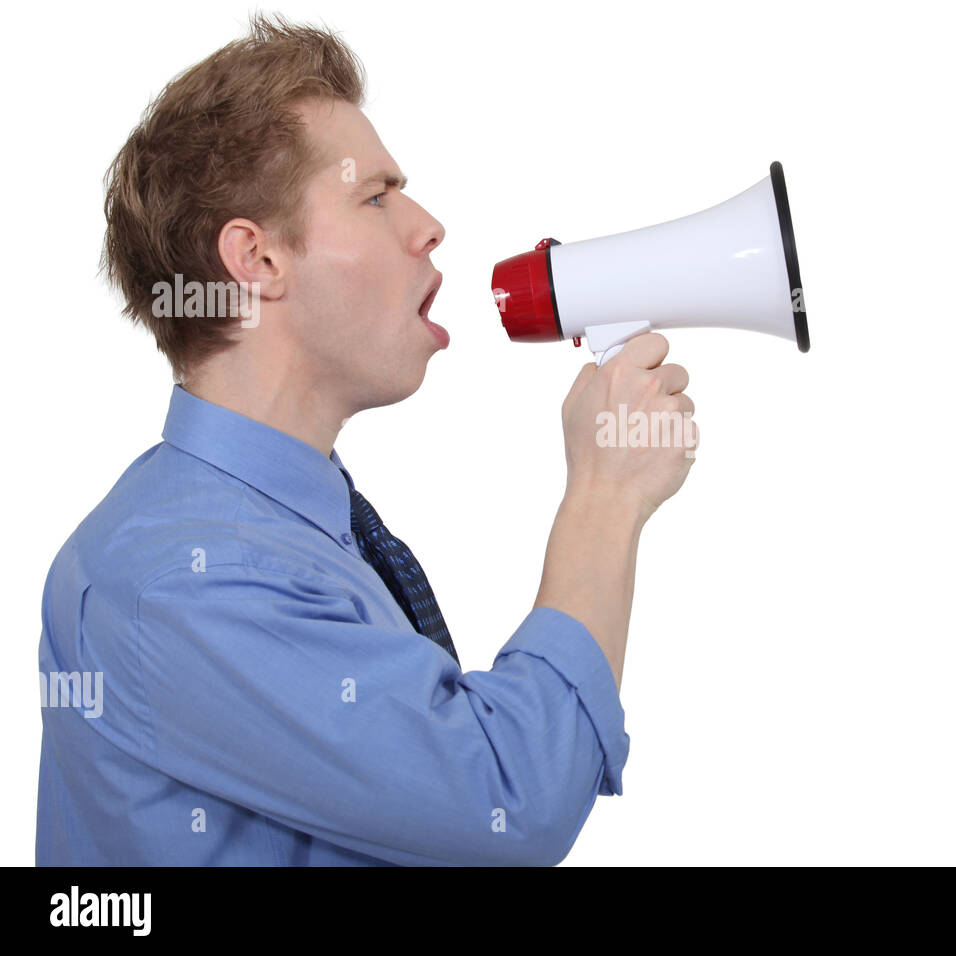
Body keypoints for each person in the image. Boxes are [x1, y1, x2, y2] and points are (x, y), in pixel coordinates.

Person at [36, 13, 697, 866]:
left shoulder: (287, 528)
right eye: (376, 196)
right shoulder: (180, 581)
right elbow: (505, 799)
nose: (427, 225)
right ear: (259, 260)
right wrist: (605, 499)